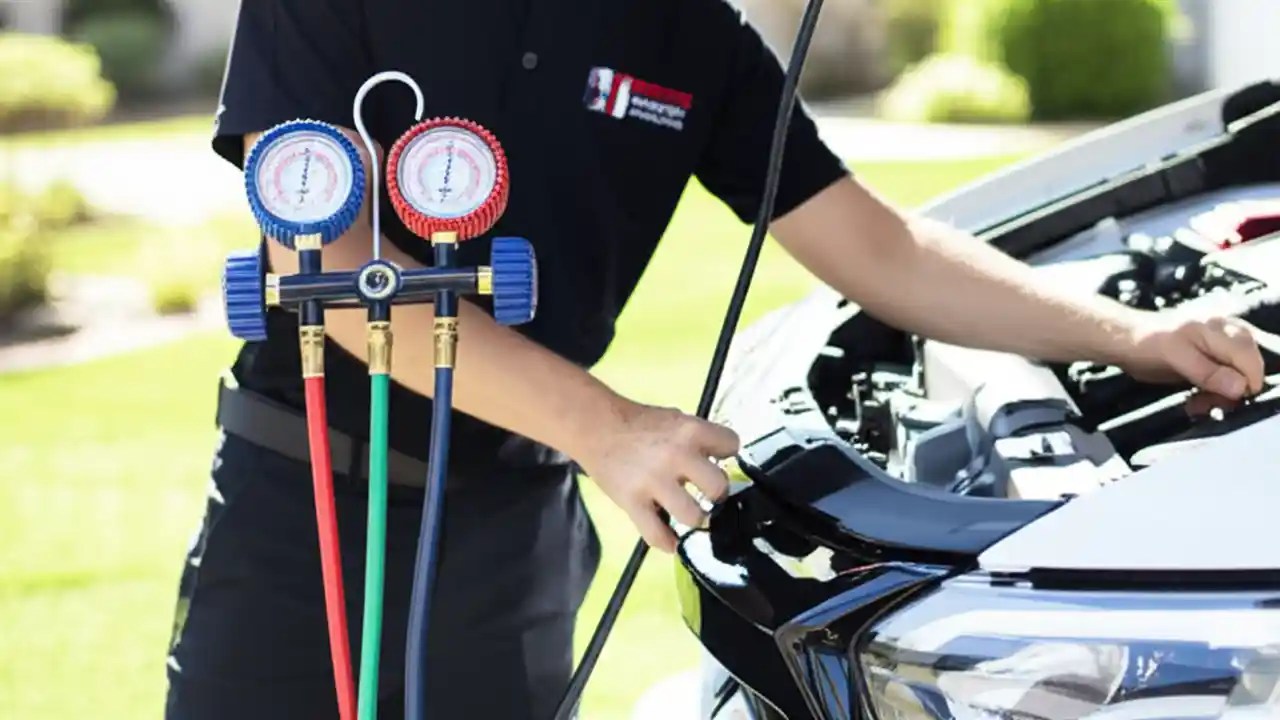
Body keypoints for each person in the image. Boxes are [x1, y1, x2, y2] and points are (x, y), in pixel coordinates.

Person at [163, 0, 1268, 718]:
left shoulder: (693, 40)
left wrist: (1126, 334)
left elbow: (878, 251)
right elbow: (348, 284)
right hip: (301, 509)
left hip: (511, 539)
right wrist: (608, 426)